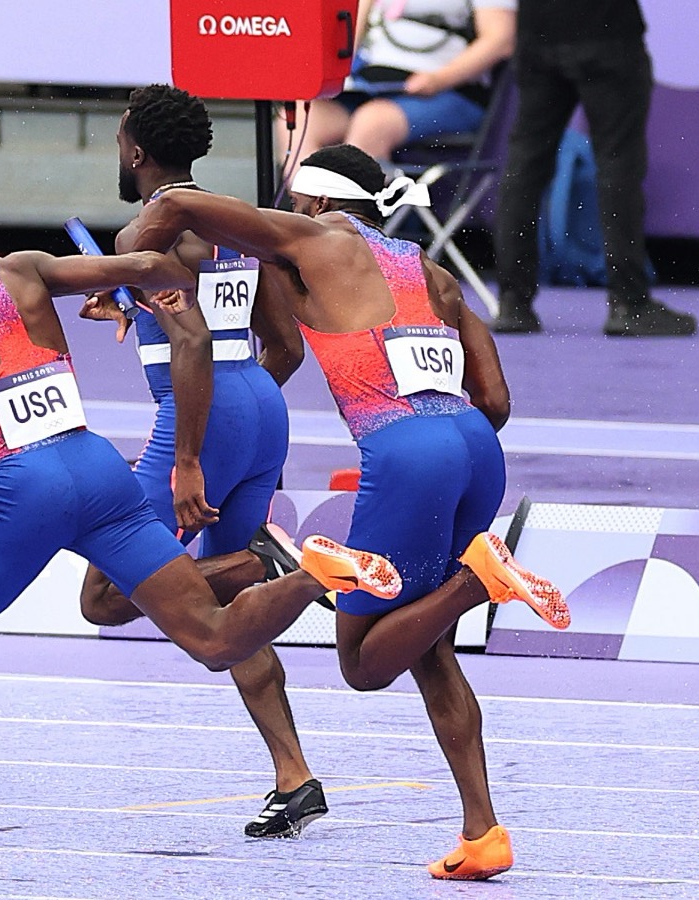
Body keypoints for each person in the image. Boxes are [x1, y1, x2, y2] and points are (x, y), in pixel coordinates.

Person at [0, 205, 407, 881]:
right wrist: (164, 298)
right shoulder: (18, 269)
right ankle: (310, 572)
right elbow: (146, 264)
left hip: (25, 488)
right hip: (97, 468)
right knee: (215, 637)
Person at [132, 144, 572, 880]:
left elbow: (172, 206)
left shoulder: (311, 238)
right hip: (471, 444)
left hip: (408, 452)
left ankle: (475, 580)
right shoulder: (429, 270)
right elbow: (494, 402)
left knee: (365, 663)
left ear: (305, 203)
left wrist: (128, 283)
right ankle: (483, 830)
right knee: (428, 650)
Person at [78, 83, 324, 838]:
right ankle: (296, 777)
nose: (118, 152)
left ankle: (276, 565)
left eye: (121, 140)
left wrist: (192, 456)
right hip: (259, 402)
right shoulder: (234, 228)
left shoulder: (139, 238)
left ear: (139, 152)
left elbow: (188, 343)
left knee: (106, 598)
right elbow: (284, 345)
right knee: (228, 618)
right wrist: (132, 309)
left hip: (202, 420)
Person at [491, 0, 695, 336]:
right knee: (618, 165)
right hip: (607, 31)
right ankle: (629, 303)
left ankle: (513, 303)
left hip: (537, 32)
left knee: (524, 167)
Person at [282, 0, 515, 170]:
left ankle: (353, 229)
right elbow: (348, 32)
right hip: (373, 82)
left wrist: (438, 79)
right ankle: (312, 220)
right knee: (298, 119)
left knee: (372, 123)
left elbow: (501, 39)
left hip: (448, 89)